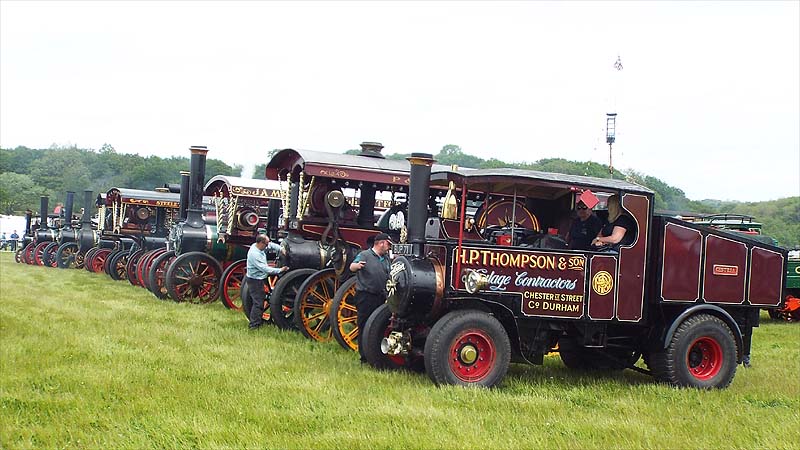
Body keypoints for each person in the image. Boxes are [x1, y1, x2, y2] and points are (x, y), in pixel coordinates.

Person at [350, 232, 393, 362]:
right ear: (381, 243)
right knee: (364, 325)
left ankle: (376, 354)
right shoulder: (365, 255)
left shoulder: (386, 258)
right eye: (388, 244)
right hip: (366, 296)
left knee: (378, 326)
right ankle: (364, 356)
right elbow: (352, 266)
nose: (389, 247)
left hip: (381, 297)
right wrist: (356, 266)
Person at [242, 234, 288, 330]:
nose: (268, 246)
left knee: (259, 300)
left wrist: (280, 249)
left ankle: (256, 322)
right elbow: (265, 269)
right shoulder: (255, 254)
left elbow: (271, 245)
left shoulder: (258, 246)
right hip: (255, 280)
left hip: (258, 278)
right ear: (260, 243)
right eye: (266, 244)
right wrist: (280, 270)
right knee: (258, 303)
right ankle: (254, 326)